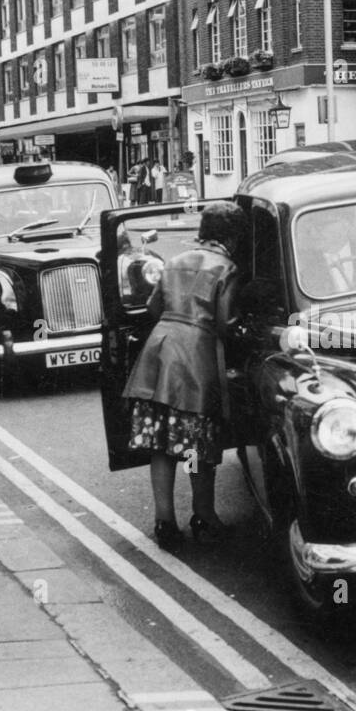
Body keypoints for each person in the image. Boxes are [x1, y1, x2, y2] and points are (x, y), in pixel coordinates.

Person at [121, 201, 247, 551]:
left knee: (161, 444)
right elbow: (225, 322)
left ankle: (164, 523)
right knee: (198, 444)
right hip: (195, 359)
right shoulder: (227, 268)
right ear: (233, 237)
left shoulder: (174, 261)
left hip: (158, 355)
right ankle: (203, 516)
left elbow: (153, 309)